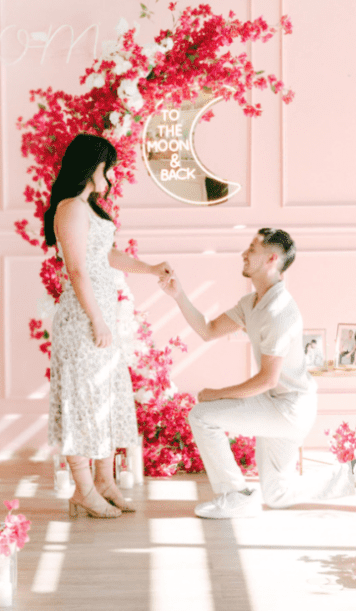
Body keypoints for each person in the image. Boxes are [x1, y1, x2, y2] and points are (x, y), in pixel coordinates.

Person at [44, 134, 172, 518]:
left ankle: (105, 481)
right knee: (83, 401)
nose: (112, 177)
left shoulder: (90, 210)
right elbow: (78, 269)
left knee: (106, 398)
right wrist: (97, 320)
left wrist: (149, 268)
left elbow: (106, 256)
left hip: (100, 319)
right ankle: (83, 489)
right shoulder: (69, 208)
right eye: (108, 168)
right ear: (93, 167)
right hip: (84, 320)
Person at [161, 228, 317, 518]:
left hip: (289, 409)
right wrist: (178, 295)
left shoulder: (279, 311)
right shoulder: (252, 304)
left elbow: (268, 378)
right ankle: (355, 473)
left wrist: (215, 395)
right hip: (281, 404)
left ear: (271, 258)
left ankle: (236, 495)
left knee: (202, 415)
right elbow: (208, 330)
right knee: (278, 495)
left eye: (252, 249)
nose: (244, 254)